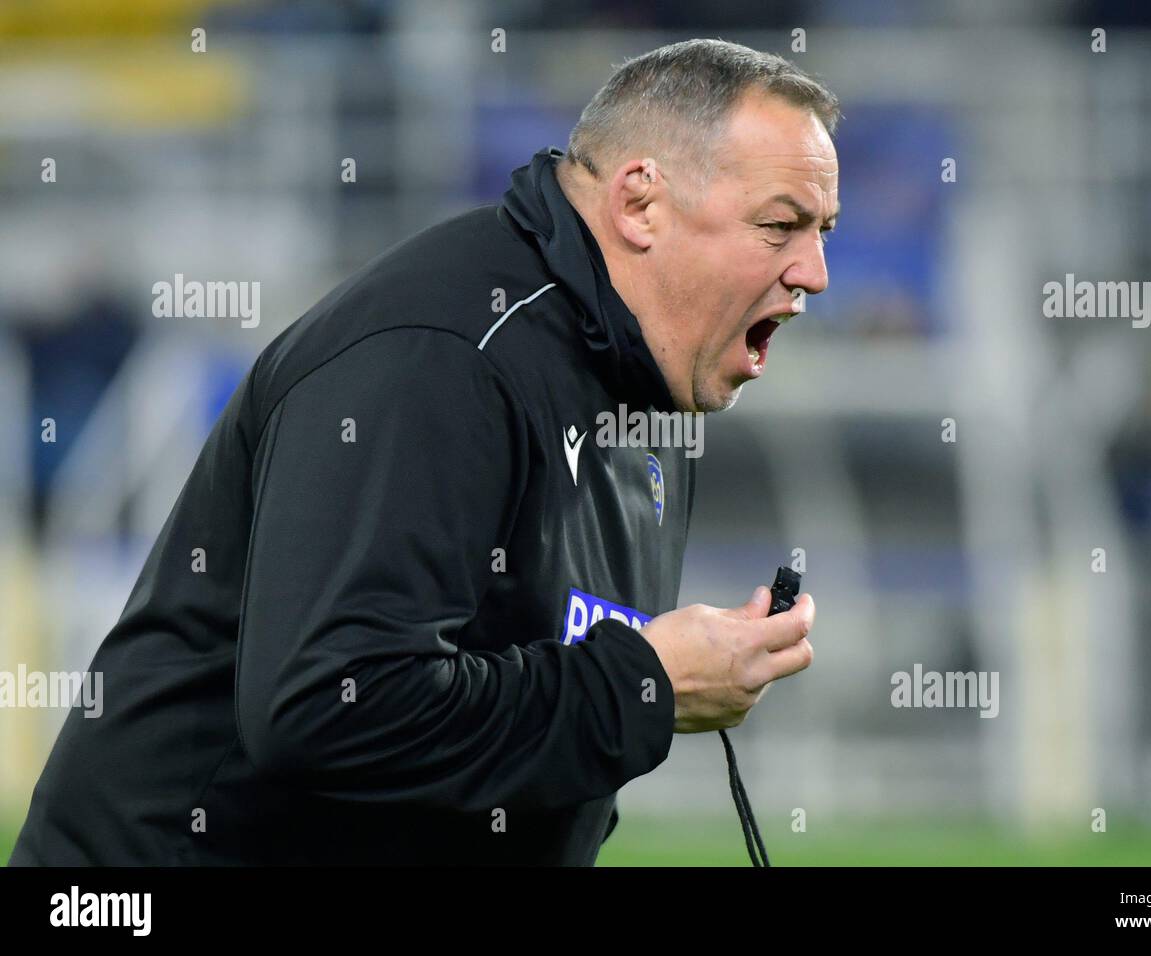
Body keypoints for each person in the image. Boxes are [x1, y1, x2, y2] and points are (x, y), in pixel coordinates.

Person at [9, 37, 836, 866]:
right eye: (779, 226)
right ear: (640, 205)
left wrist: (641, 685)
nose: (816, 272)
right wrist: (641, 685)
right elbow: (329, 707)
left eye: (824, 231)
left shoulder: (649, 386)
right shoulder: (441, 354)